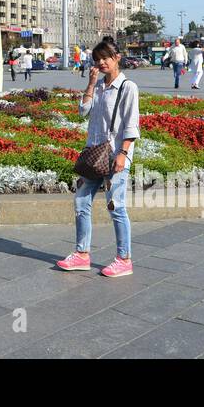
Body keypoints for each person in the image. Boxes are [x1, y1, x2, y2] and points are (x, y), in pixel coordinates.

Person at [57, 39, 138, 278]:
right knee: (81, 202)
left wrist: (123, 154)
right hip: (94, 154)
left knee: (116, 207)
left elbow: (131, 125)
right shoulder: (100, 86)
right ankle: (82, 254)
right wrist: (91, 84)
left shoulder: (127, 88)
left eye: (106, 58)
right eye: (97, 59)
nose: (101, 63)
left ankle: (124, 259)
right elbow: (83, 112)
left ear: (117, 58)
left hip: (115, 156)